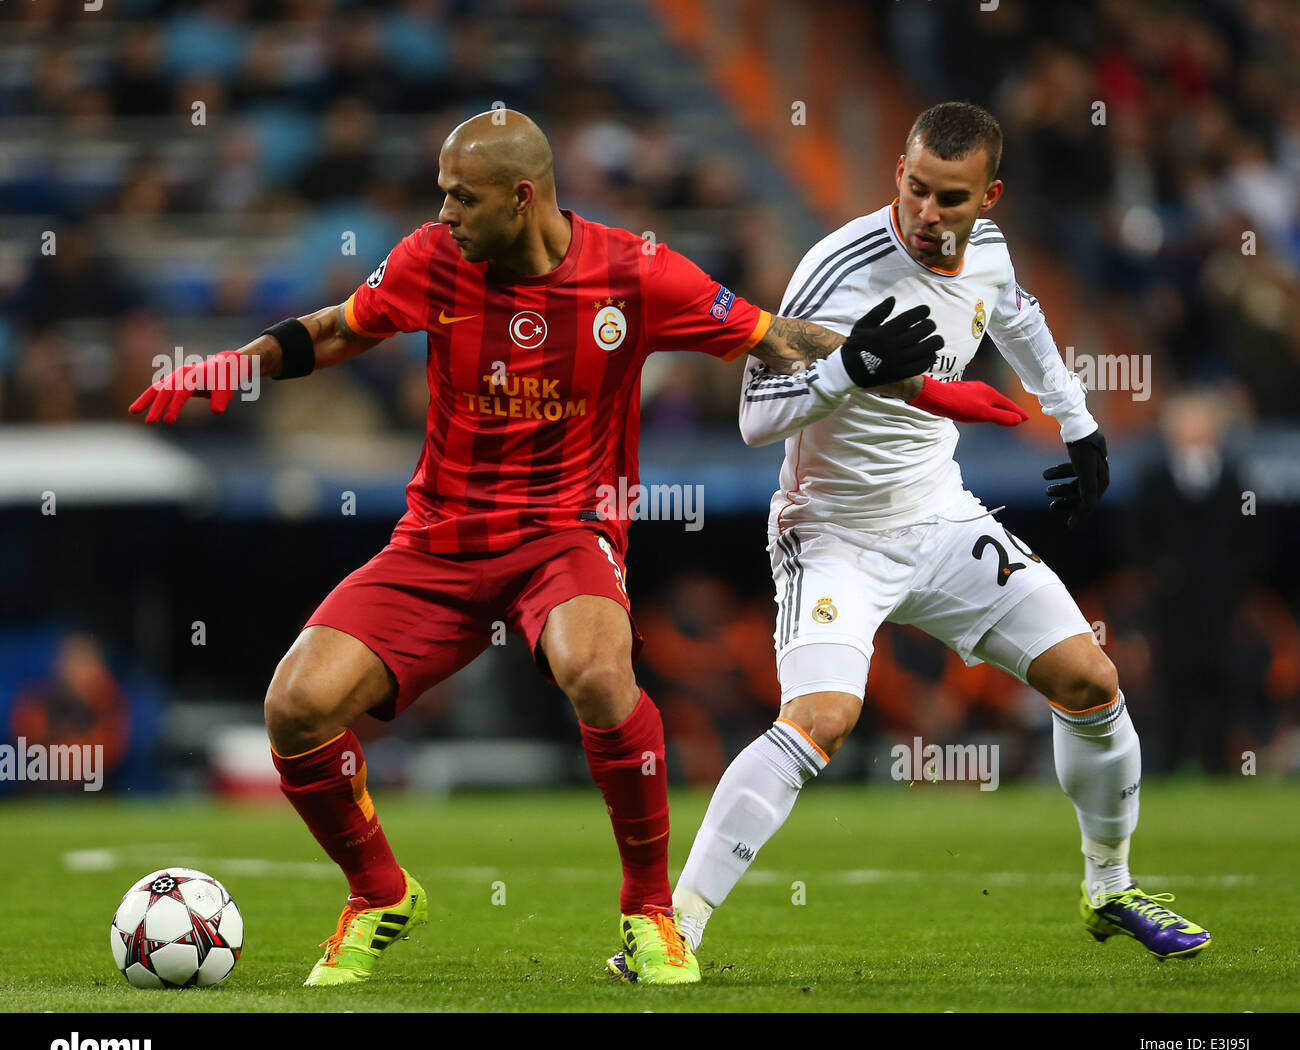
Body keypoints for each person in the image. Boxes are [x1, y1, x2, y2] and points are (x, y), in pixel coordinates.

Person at [130, 109, 1022, 987]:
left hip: (568, 534)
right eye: (441, 196)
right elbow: (337, 329)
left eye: (460, 199)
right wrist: (239, 362)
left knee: (599, 675)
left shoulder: (634, 272)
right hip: (439, 538)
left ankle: (650, 914)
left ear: (522, 198)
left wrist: (930, 392)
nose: (444, 215)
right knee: (294, 707)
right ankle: (380, 894)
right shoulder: (429, 261)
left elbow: (773, 335)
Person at [660, 102, 1211, 977]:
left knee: (1091, 679)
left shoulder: (987, 252)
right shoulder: (835, 265)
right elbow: (755, 417)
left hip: (941, 516)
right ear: (899, 177)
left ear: (988, 197)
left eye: (950, 198)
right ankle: (674, 926)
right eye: (915, 188)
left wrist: (1078, 423)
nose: (927, 213)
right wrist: (847, 368)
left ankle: (1110, 888)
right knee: (821, 718)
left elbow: (1019, 316)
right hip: (833, 531)